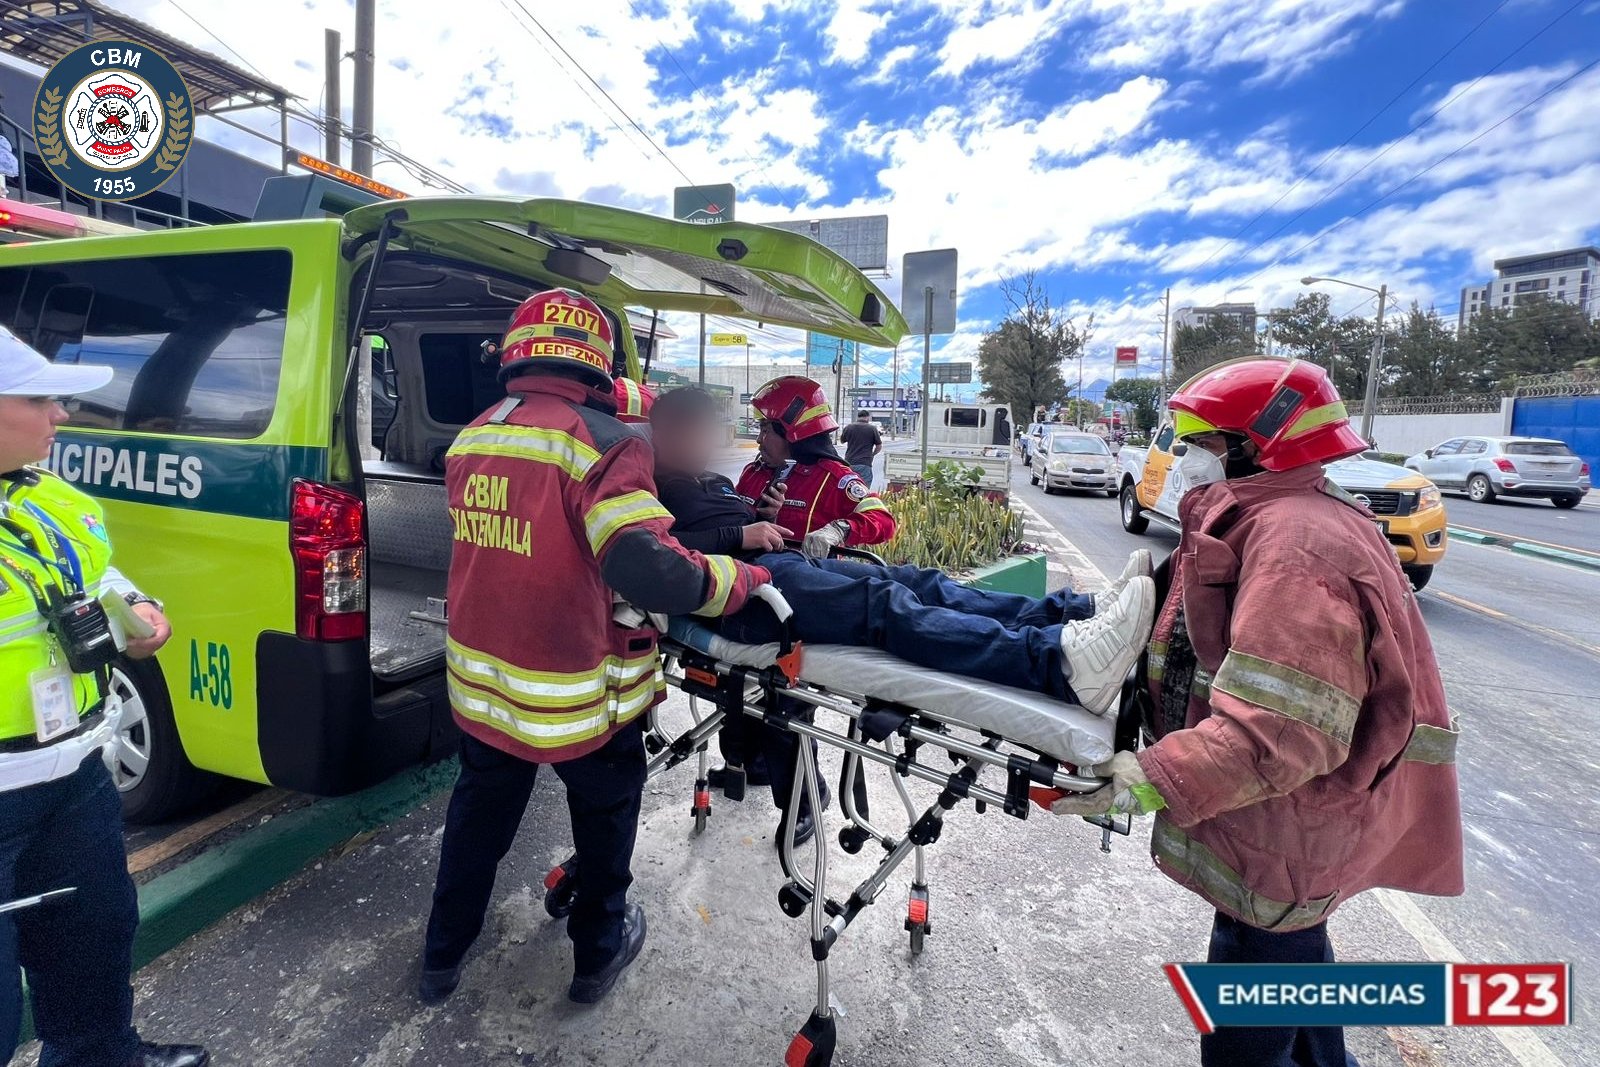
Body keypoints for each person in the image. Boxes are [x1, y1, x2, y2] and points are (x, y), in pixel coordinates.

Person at [1051, 358, 1464, 1067]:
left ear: (1254, 443)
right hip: (1292, 821)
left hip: (1290, 823)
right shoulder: (1285, 515)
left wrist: (1149, 776)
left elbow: (1281, 728)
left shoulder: (1296, 549)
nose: (1181, 455)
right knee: (1299, 976)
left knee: (1250, 1015)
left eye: (1197, 440)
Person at [418, 290, 770, 1008]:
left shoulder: (476, 434)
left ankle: (440, 958)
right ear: (597, 361)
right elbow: (646, 565)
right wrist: (739, 577)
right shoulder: (605, 442)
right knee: (606, 829)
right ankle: (595, 958)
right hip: (577, 694)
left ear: (517, 351)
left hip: (483, 690)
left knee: (475, 827)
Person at [653, 385, 1155, 711]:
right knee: (886, 605)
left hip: (778, 567)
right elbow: (659, 551)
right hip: (749, 589)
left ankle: (1076, 612)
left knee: (914, 581)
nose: (751, 436)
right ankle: (1060, 664)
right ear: (668, 436)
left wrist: (783, 524)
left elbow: (877, 519)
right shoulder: (652, 484)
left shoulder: (741, 478)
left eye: (764, 427)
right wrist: (741, 535)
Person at [0, 328, 206, 1067]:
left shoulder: (46, 492)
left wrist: (138, 609)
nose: (62, 414)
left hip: (75, 771)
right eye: (41, 398)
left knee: (94, 934)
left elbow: (95, 572)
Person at [736, 377, 895, 559]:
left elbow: (884, 521)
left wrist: (838, 530)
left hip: (804, 581)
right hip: (745, 578)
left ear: (792, 435)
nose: (759, 440)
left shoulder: (834, 479)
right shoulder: (753, 472)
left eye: (765, 430)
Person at [838, 410, 882, 488]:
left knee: (849, 487)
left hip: (849, 462)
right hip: (864, 463)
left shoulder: (849, 427)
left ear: (858, 417)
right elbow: (879, 446)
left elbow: (842, 441)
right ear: (868, 417)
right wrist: (872, 454)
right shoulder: (872, 429)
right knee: (863, 488)